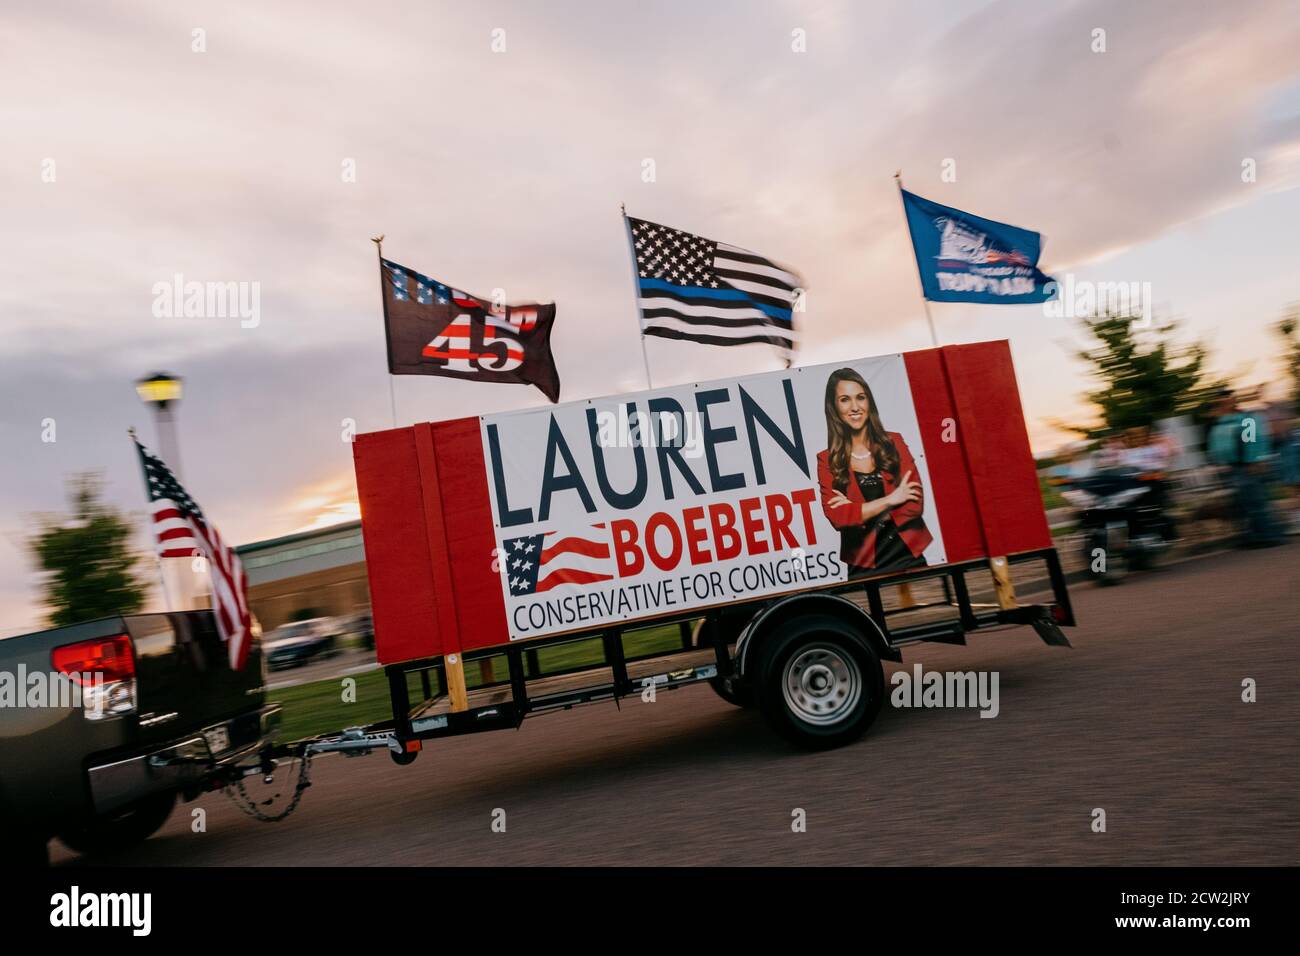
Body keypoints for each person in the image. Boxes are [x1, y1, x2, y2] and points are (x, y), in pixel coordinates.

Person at [816, 368, 933, 575]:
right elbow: (839, 518)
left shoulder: (894, 442)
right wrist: (892, 499)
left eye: (860, 397)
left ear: (869, 402)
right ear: (834, 407)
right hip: (862, 568)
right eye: (844, 399)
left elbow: (914, 506)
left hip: (909, 559)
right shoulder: (827, 460)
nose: (855, 407)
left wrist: (857, 511)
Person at [1205, 388, 1284, 548]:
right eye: (1220, 402)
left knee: (1255, 502)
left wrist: (1255, 461)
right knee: (1241, 504)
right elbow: (1215, 445)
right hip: (1231, 467)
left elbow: (1253, 441)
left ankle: (1268, 535)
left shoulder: (1246, 418)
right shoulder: (1218, 422)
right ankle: (1251, 537)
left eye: (1226, 400)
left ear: (1233, 401)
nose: (1223, 404)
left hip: (1247, 466)